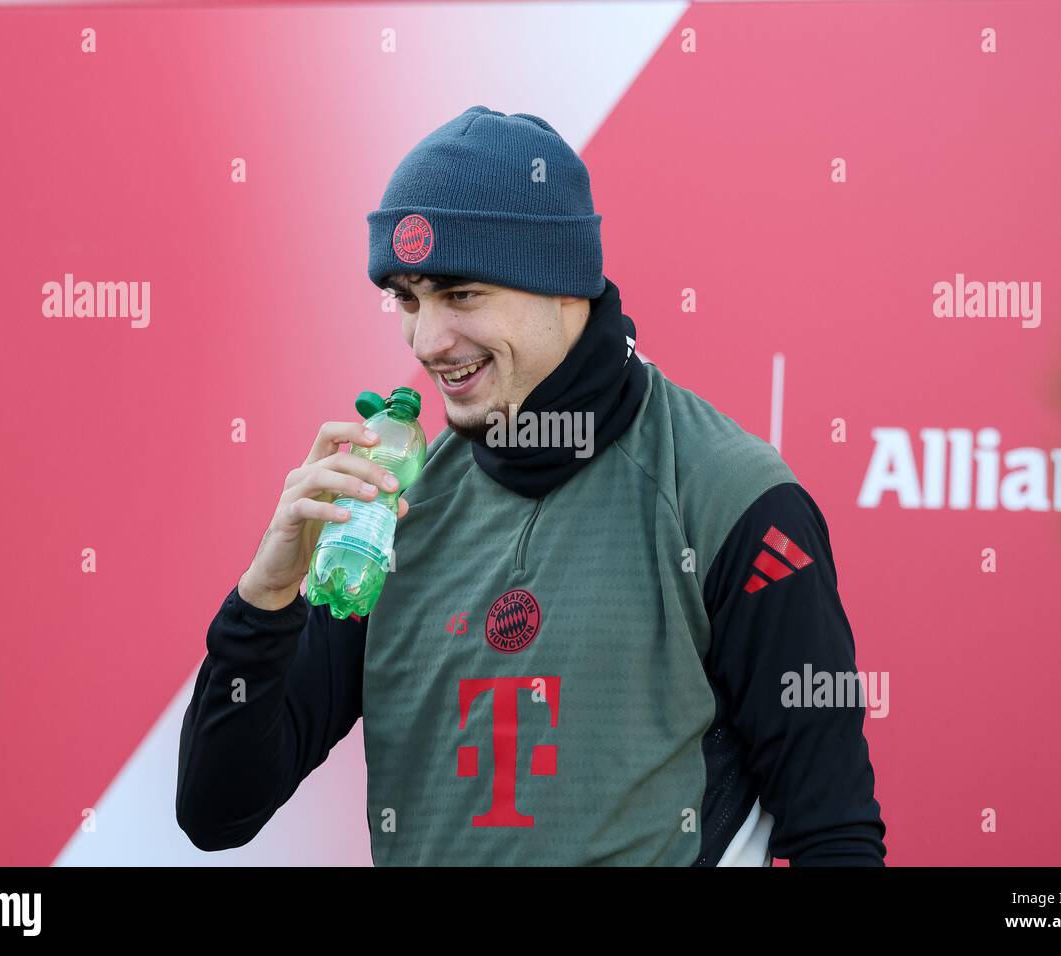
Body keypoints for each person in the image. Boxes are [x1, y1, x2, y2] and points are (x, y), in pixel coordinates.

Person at [176, 105, 886, 866]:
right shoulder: (389, 508)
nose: (426, 340)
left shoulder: (732, 497)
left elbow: (834, 834)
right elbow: (218, 812)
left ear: (564, 286)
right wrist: (268, 594)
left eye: (461, 295)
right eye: (407, 300)